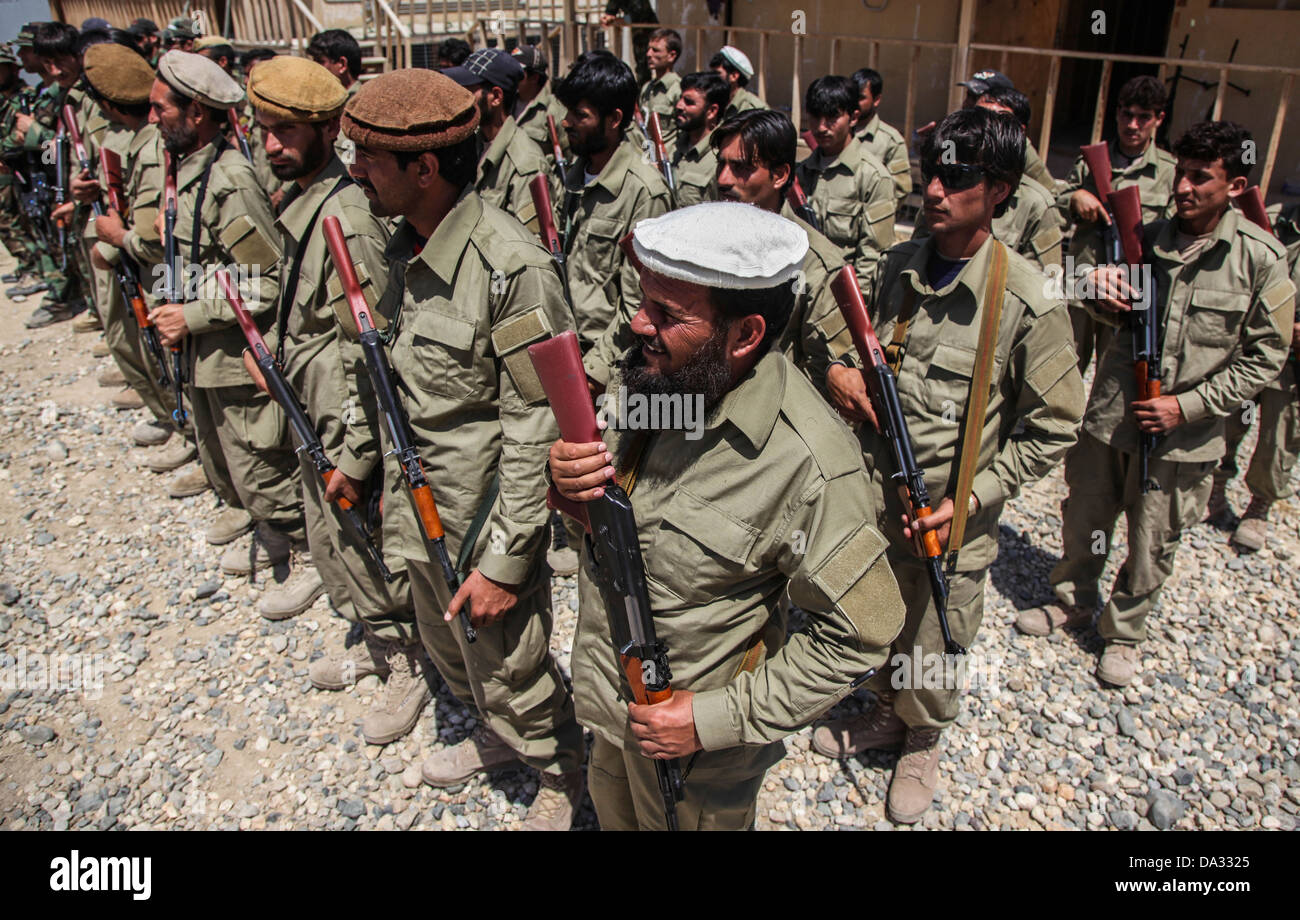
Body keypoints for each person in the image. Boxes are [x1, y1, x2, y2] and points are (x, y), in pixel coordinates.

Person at [548, 201, 905, 830]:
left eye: (667, 314)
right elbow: (608, 504)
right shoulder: (665, 384)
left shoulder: (810, 466)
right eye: (642, 301)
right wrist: (566, 481)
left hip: (697, 763)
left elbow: (865, 632)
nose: (637, 324)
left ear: (745, 335)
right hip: (609, 705)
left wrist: (708, 721)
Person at [814, 107, 1084, 824]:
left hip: (951, 522)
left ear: (998, 190)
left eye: (955, 178)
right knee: (881, 616)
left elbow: (1055, 424)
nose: (933, 190)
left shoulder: (1027, 297)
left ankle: (923, 735)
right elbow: (857, 355)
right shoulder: (899, 269)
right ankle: (883, 708)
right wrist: (840, 374)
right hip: (879, 503)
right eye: (931, 172)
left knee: (937, 629)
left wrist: (976, 497)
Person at [340, 68, 586, 828]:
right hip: (416, 510)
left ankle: (561, 773)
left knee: (511, 664)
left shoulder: (510, 267)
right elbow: (377, 363)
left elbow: (534, 424)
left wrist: (508, 560)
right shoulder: (395, 243)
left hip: (480, 522)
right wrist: (357, 459)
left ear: (424, 168)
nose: (354, 171)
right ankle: (498, 736)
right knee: (453, 653)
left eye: (371, 158)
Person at [1015, 122, 1295, 688]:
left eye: (1201, 178)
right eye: (1182, 173)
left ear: (1236, 185)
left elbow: (1266, 357)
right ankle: (1073, 599)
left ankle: (1124, 633)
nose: (1184, 187)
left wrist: (1187, 406)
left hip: (1184, 436)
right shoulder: (1144, 236)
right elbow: (1076, 295)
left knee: (1152, 539)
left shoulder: (1260, 259)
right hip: (1114, 413)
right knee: (1086, 517)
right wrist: (1092, 285)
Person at [242, 55, 428, 741]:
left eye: (286, 131)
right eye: (262, 129)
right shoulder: (307, 197)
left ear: (327, 131)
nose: (270, 145)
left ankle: (407, 663)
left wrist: (358, 450)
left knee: (363, 535)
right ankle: (378, 649)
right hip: (311, 397)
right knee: (332, 537)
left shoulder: (346, 215)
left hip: (344, 412)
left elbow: (373, 349)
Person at [145, 51, 311, 587]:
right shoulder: (186, 170)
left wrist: (191, 316)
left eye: (161, 108)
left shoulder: (228, 181)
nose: (152, 119)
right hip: (202, 355)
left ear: (197, 113)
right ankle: (270, 530)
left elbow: (266, 280)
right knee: (230, 464)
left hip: (231, 357)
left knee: (264, 467)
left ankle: (307, 556)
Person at [554, 50, 671, 386]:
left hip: (609, 368)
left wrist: (593, 374)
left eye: (580, 115)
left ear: (614, 118)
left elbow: (643, 305)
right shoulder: (576, 177)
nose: (567, 123)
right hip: (567, 348)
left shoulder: (644, 193)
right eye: (568, 113)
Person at [713, 109, 851, 390]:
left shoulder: (817, 265)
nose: (724, 179)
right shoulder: (706, 234)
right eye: (721, 164)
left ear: (779, 175)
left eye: (741, 167)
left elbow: (824, 375)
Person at [1059, 75, 1176, 373]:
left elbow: (1172, 236)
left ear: (1159, 119)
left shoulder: (1168, 172)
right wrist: (1075, 198)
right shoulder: (1090, 161)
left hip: (1128, 291)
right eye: (1127, 114)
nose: (1133, 125)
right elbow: (1055, 204)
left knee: (1118, 374)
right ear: (1117, 113)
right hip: (1082, 283)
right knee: (1064, 371)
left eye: (1143, 117)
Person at [1212, 201, 1300, 549]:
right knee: (1228, 421)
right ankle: (1214, 486)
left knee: (1279, 438)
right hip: (1250, 346)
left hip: (1293, 365)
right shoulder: (1275, 217)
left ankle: (1259, 507)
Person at [912, 88, 1064, 274]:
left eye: (995, 119)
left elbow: (1045, 287)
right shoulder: (940, 191)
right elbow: (915, 257)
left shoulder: (1036, 204)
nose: (934, 191)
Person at [794, 75, 895, 295]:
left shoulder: (873, 177)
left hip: (840, 299)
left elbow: (873, 256)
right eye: (814, 117)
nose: (821, 127)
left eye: (832, 118)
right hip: (799, 290)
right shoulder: (800, 174)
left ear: (853, 117)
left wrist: (854, 307)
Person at [443, 48, 552, 233]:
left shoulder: (525, 164)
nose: (461, 99)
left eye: (469, 91)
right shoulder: (471, 145)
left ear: (496, 97)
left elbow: (531, 246)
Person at [957, 69, 1054, 190]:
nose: (967, 103)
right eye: (968, 96)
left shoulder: (1017, 146)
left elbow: (1050, 190)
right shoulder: (955, 132)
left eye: (975, 97)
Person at [851, 67, 911, 208]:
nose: (854, 102)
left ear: (876, 100)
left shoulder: (891, 141)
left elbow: (901, 190)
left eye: (861, 98)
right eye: (851, 95)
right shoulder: (839, 133)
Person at [669, 71, 726, 209]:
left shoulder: (721, 160)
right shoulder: (672, 148)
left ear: (712, 111)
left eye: (689, 102)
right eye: (680, 99)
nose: (679, 106)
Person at [510, 44, 570, 165]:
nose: (512, 76)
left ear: (534, 77)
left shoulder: (553, 109)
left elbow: (569, 155)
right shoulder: (506, 105)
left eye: (518, 73)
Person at [635, 27, 682, 159]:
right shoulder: (647, 88)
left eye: (655, 50)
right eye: (649, 49)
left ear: (671, 55)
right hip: (646, 157)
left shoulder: (677, 90)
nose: (649, 54)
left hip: (667, 160)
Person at [601, 0, 659, 85]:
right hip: (639, 30)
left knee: (647, 65)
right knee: (641, 65)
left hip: (648, 29)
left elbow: (638, 16)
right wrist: (608, 17)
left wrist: (618, 20)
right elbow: (610, 12)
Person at [710, 46, 765, 118]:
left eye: (717, 74)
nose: (711, 78)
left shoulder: (752, 109)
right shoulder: (715, 102)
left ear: (734, 76)